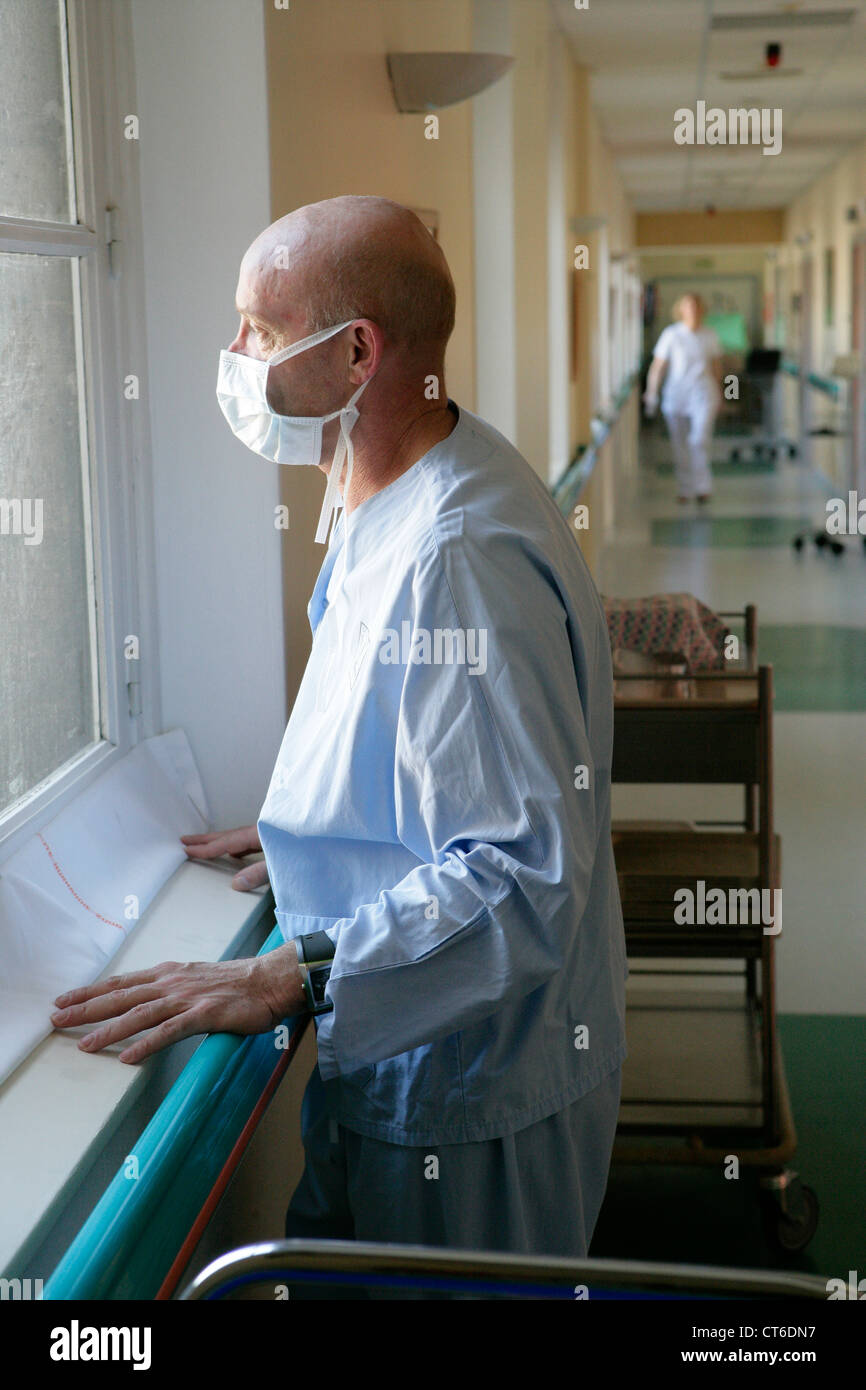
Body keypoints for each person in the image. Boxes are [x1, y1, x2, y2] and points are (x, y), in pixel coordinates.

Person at [51, 196, 628, 1289]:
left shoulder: (458, 554)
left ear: (356, 352)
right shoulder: (388, 488)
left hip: (469, 1100)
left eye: (257, 331)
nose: (232, 357)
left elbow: (518, 880)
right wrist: (333, 849)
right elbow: (425, 766)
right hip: (407, 1064)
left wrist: (288, 973)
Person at [643, 293, 722, 504]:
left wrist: (726, 394)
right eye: (688, 307)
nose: (693, 311)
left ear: (701, 310)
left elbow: (717, 367)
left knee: (698, 440)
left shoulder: (710, 335)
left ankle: (703, 487)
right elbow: (658, 366)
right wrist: (651, 392)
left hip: (704, 394)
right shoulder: (671, 334)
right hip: (676, 396)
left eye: (696, 306)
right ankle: (685, 488)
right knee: (680, 445)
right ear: (681, 310)